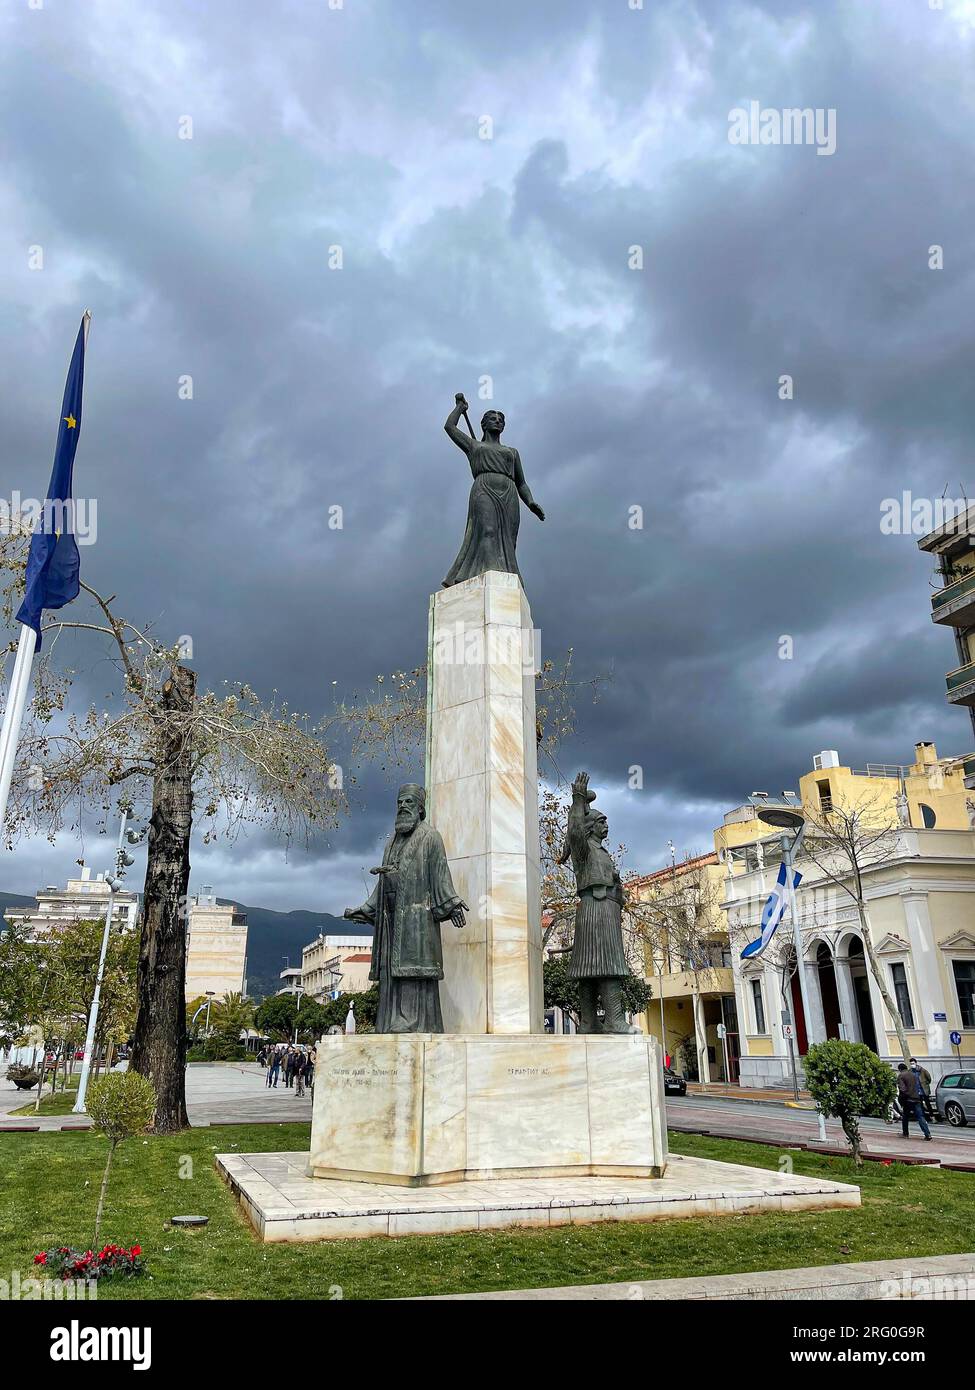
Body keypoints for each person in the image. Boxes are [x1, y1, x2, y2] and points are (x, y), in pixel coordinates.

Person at [441, 395, 545, 587]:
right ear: (484, 424)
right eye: (493, 419)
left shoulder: (512, 452)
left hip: (509, 492)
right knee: (487, 531)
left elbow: (521, 482)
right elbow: (450, 427)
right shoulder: (474, 446)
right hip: (484, 488)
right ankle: (490, 576)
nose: (498, 421)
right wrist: (459, 407)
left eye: (501, 420)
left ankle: (505, 575)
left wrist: (530, 502)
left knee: (507, 539)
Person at [562, 771, 630, 1034]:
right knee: (604, 965)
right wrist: (579, 800)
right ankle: (612, 1019)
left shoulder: (602, 853)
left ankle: (590, 1022)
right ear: (591, 827)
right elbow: (575, 831)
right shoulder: (583, 849)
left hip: (607, 909)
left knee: (593, 966)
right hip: (594, 908)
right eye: (602, 822)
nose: (606, 826)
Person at [897, 1062, 931, 1140]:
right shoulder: (913, 1074)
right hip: (917, 1098)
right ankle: (927, 1134)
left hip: (908, 1099)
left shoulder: (901, 1076)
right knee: (921, 1117)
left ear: (900, 1069)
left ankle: (905, 1134)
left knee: (905, 1117)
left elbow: (902, 1089)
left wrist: (901, 1099)